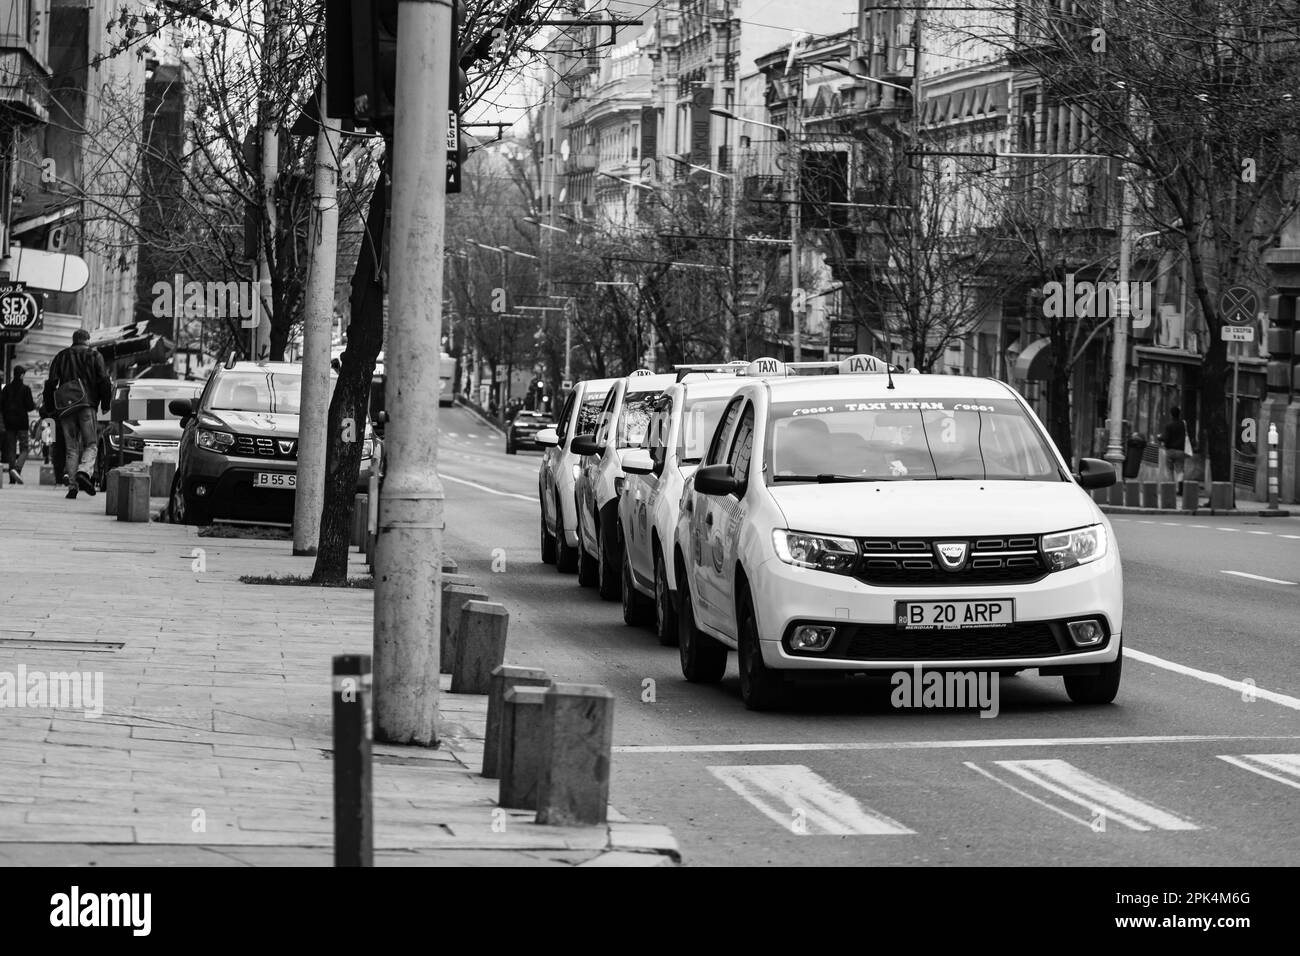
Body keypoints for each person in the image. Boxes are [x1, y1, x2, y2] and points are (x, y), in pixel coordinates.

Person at [42, 329, 112, 499]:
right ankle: (83, 471)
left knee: (71, 448)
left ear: (74, 340)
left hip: (65, 408)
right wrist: (105, 403)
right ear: (87, 340)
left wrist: (51, 407)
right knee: (91, 444)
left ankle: (72, 487)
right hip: (87, 405)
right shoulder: (95, 356)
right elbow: (103, 380)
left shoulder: (61, 356)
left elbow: (51, 383)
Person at [1, 365, 37, 484]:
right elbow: (30, 407)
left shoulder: (6, 388)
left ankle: (12, 476)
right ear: (22, 375)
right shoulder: (25, 389)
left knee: (11, 449)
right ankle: (17, 469)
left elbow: (1, 405)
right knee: (24, 449)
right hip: (22, 423)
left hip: (9, 423)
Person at [1161, 406, 1188, 488]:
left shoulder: (1168, 425)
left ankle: (1171, 488)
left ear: (1171, 414)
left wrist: (1160, 438)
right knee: (1180, 470)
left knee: (1169, 470)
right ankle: (1180, 486)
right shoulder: (1183, 425)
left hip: (1170, 451)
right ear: (1179, 414)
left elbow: (1166, 438)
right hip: (1180, 451)